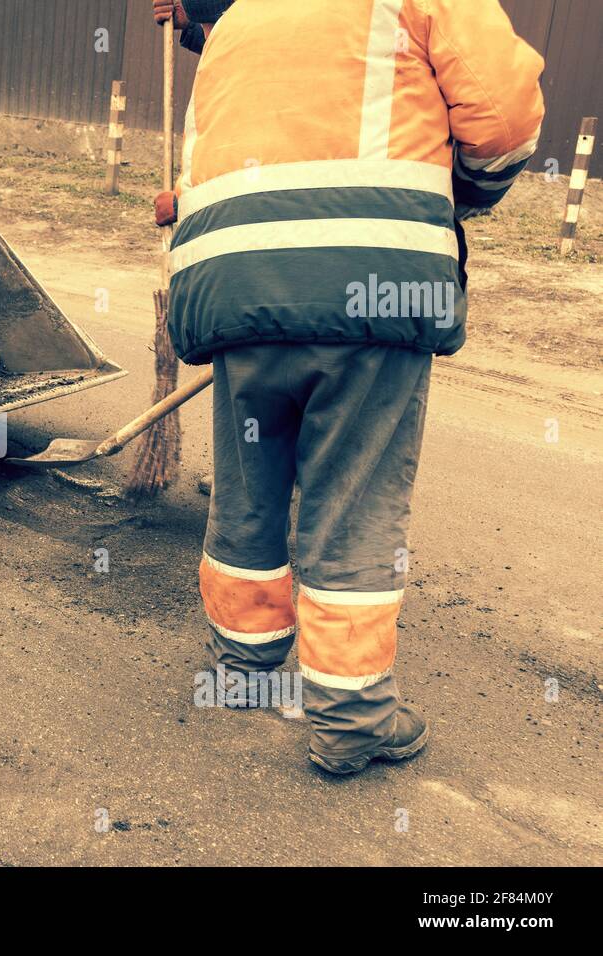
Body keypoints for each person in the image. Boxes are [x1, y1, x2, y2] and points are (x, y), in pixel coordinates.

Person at [154, 0, 545, 774]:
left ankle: (241, 668)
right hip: (373, 275)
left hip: (230, 281)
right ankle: (352, 718)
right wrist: (455, 187)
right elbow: (502, 120)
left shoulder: (238, 19)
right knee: (353, 499)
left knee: (249, 485)